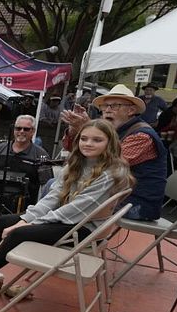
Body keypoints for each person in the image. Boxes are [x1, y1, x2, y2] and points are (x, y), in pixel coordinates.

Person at [0, 120, 133, 294]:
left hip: (83, 231)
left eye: (97, 140)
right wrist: (26, 219)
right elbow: (53, 197)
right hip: (68, 222)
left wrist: (27, 226)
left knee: (17, 234)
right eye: (84, 139)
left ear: (110, 143)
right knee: (4, 221)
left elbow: (75, 210)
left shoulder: (111, 172)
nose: (88, 144)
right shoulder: (77, 163)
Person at [63, 84, 166, 221]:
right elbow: (76, 152)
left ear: (131, 110)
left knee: (63, 192)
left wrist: (89, 129)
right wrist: (75, 130)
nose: (107, 110)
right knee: (59, 186)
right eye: (105, 107)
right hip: (113, 193)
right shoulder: (114, 131)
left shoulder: (142, 136)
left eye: (114, 106)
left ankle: (57, 235)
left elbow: (106, 164)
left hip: (136, 204)